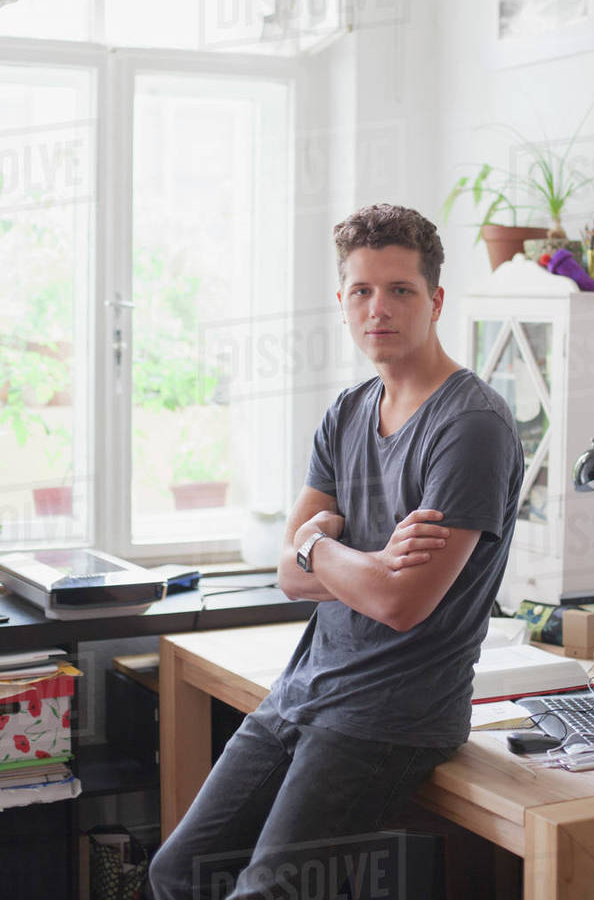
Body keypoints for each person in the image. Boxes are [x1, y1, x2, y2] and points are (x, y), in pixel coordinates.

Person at [149, 203, 523, 900]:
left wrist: (320, 543)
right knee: (176, 874)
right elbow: (288, 576)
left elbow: (400, 601)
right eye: (362, 291)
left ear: (435, 301)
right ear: (343, 302)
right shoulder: (346, 412)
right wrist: (345, 555)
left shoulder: (471, 427)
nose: (378, 308)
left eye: (401, 290)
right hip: (303, 690)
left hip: (391, 717)